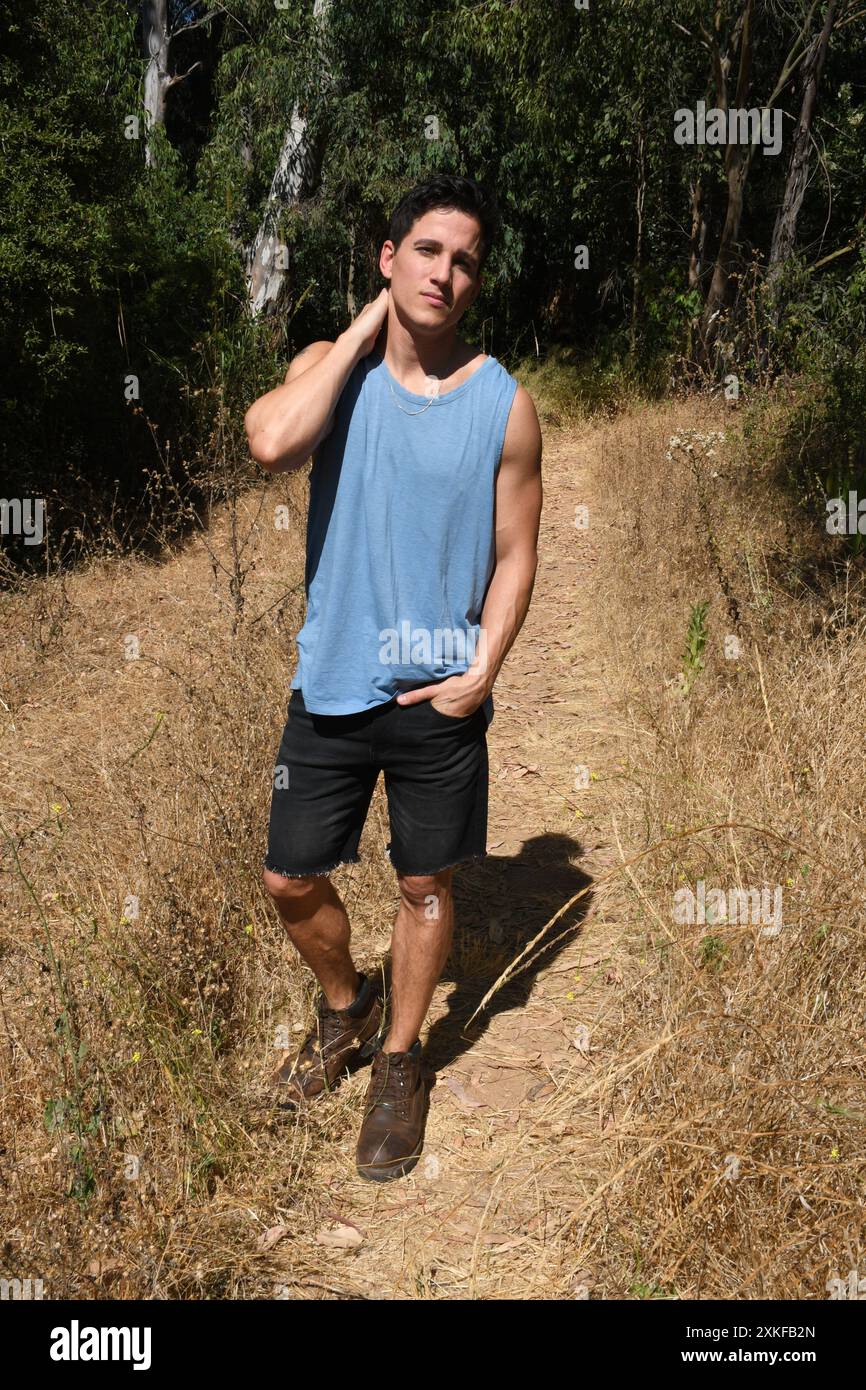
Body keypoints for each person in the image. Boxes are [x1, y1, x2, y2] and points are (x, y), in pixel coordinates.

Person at [244, 173, 543, 1181]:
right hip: (329, 679)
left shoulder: (504, 407)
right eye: (424, 251)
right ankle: (346, 1010)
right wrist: (366, 331)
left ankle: (400, 1062)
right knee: (289, 877)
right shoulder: (333, 371)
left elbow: (515, 554)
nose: (444, 273)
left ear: (475, 281)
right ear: (388, 257)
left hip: (435, 697)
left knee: (424, 886)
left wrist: (483, 669)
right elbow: (271, 442)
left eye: (462, 260)